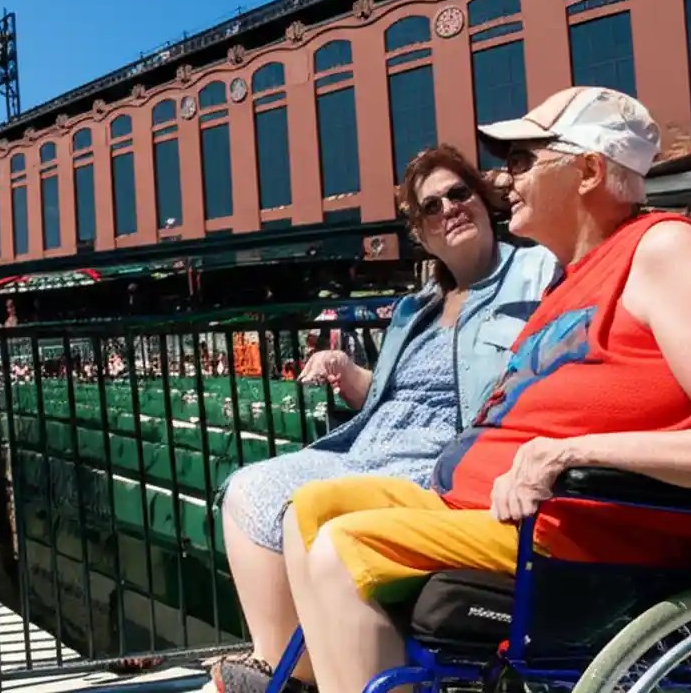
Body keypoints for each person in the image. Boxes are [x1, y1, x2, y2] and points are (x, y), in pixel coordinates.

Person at [272, 87, 691, 693]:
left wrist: (572, 452)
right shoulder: (569, 280)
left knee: (344, 546)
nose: (504, 178)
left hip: (580, 541)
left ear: (589, 170)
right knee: (310, 511)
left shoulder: (664, 250)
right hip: (494, 513)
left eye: (525, 160)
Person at [212, 146, 559, 691]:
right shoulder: (416, 307)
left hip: (440, 455)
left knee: (286, 506)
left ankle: (296, 673)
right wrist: (346, 370)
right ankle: (286, 667)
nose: (449, 208)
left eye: (459, 193)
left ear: (482, 199)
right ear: (421, 232)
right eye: (431, 206)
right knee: (244, 489)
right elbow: (391, 397)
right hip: (373, 442)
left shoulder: (538, 272)